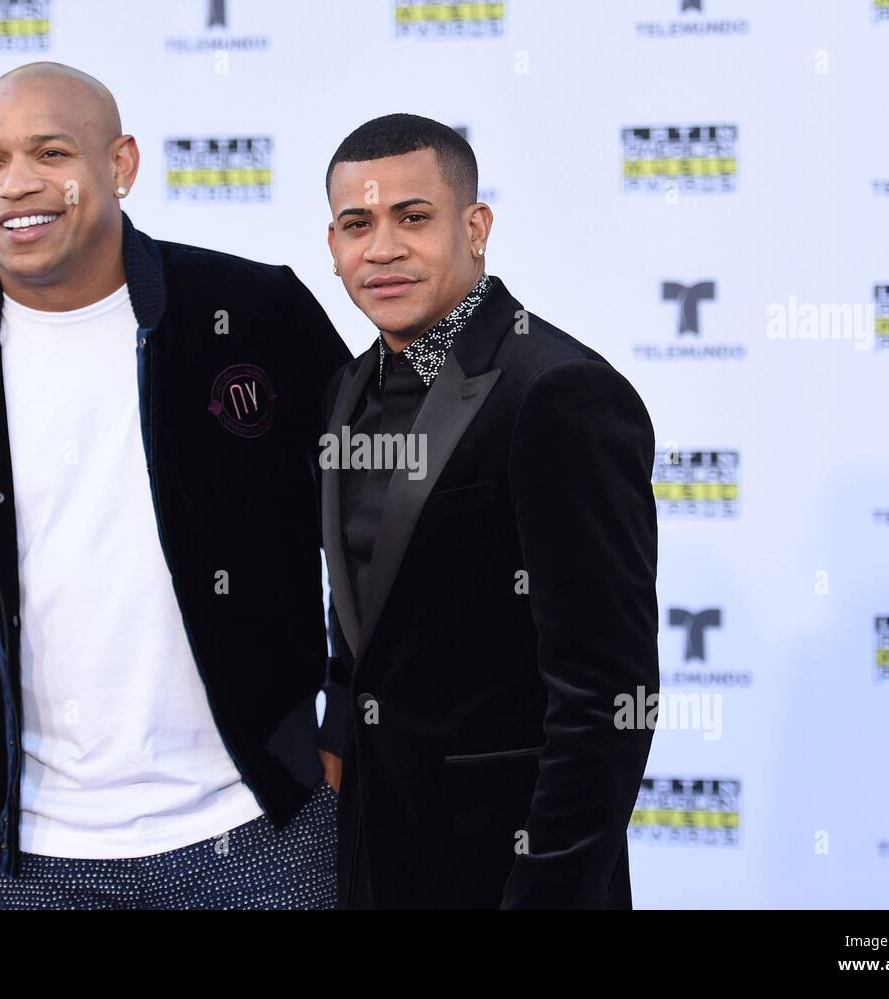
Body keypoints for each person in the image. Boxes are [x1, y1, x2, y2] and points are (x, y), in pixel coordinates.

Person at [0, 62, 351, 910]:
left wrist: (343, 731)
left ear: (120, 165)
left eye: (50, 152)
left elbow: (369, 529)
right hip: (34, 861)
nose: (16, 186)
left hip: (263, 826)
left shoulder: (252, 309)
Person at [319, 113, 659, 908]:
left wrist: (548, 890)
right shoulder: (343, 388)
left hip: (509, 870)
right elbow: (364, 623)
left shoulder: (558, 391)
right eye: (356, 224)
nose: (383, 249)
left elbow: (606, 694)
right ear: (331, 245)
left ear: (476, 227)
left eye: (413, 217)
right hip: (373, 859)